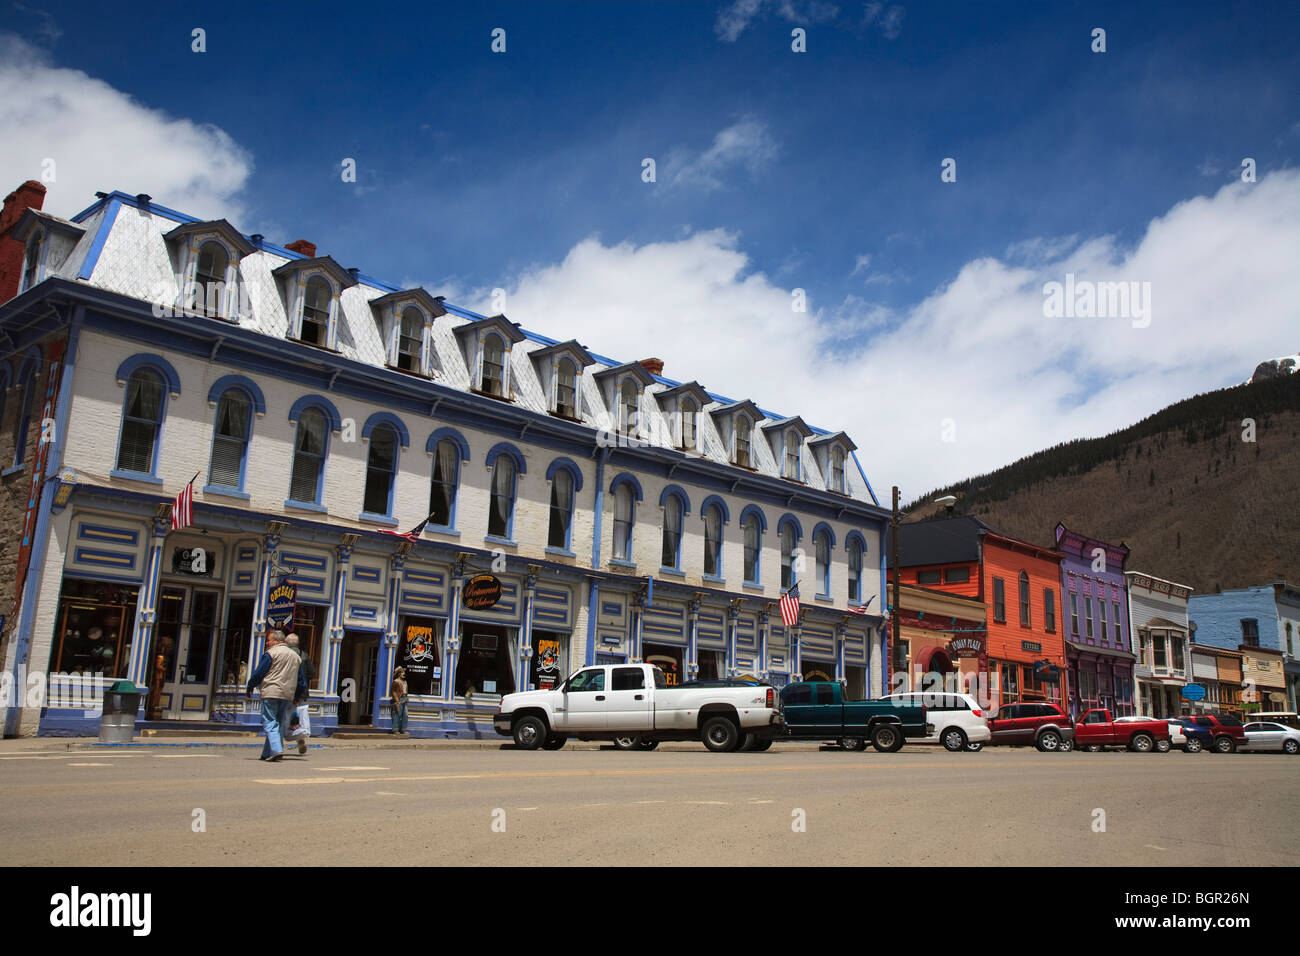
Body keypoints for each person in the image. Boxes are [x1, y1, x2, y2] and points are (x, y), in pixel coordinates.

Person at [246, 630, 306, 761]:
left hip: (271, 692)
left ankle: (277, 749)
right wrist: (296, 696)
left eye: (269, 640)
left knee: (269, 722)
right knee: (277, 723)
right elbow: (302, 681)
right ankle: (268, 753)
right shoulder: (296, 657)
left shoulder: (271, 653)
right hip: (287, 694)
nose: (267, 643)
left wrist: (250, 686)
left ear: (277, 641)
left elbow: (259, 673)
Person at [283, 633, 315, 755]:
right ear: (297, 643)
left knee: (282, 716)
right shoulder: (304, 655)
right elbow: (312, 672)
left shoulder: (284, 654)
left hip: (285, 690)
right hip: (301, 692)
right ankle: (300, 738)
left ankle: (277, 742)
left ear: (286, 643)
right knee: (296, 716)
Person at [390, 666, 408, 736]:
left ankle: (403, 729)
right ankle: (395, 729)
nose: (403, 674)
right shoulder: (396, 682)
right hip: (399, 699)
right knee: (397, 714)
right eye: (402, 672)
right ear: (398, 674)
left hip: (404, 699)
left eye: (404, 672)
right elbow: (393, 691)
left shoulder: (405, 682)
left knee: (405, 715)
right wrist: (396, 700)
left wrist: (407, 697)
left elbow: (405, 690)